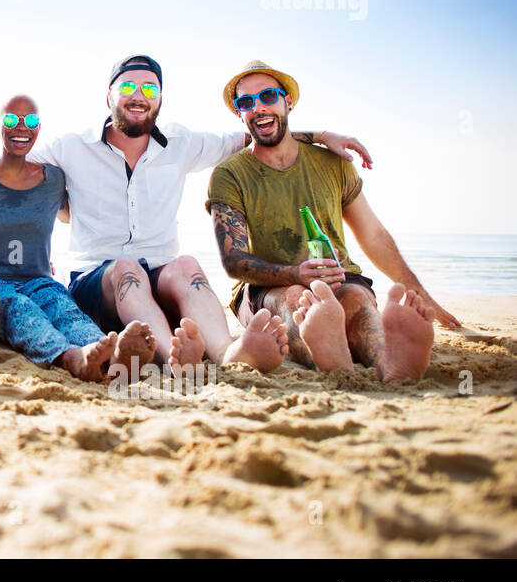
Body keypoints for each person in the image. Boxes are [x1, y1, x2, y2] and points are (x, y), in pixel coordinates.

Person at [35, 54, 370, 373]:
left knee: (187, 265)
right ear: (109, 95)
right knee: (126, 268)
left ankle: (228, 353)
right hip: (97, 287)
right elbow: (12, 166)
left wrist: (323, 136)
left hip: (158, 289)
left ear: (160, 97)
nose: (138, 95)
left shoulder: (179, 143)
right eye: (128, 87)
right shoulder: (72, 147)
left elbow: (254, 135)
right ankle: (174, 357)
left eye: (149, 89)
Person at [207, 61, 458, 382]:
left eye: (268, 96)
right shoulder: (229, 175)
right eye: (246, 102)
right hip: (265, 289)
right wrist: (295, 273)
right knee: (296, 298)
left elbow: (375, 236)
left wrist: (420, 293)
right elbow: (234, 261)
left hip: (340, 277)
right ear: (239, 114)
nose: (258, 107)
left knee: (355, 300)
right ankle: (327, 354)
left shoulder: (332, 163)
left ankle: (390, 363)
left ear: (288, 101)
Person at [0, 94, 136, 382]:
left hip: (38, 279)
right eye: (11, 119)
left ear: (39, 128)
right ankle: (72, 359)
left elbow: (79, 216)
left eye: (31, 120)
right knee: (20, 308)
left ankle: (110, 354)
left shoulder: (53, 181)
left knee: (64, 308)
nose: (22, 127)